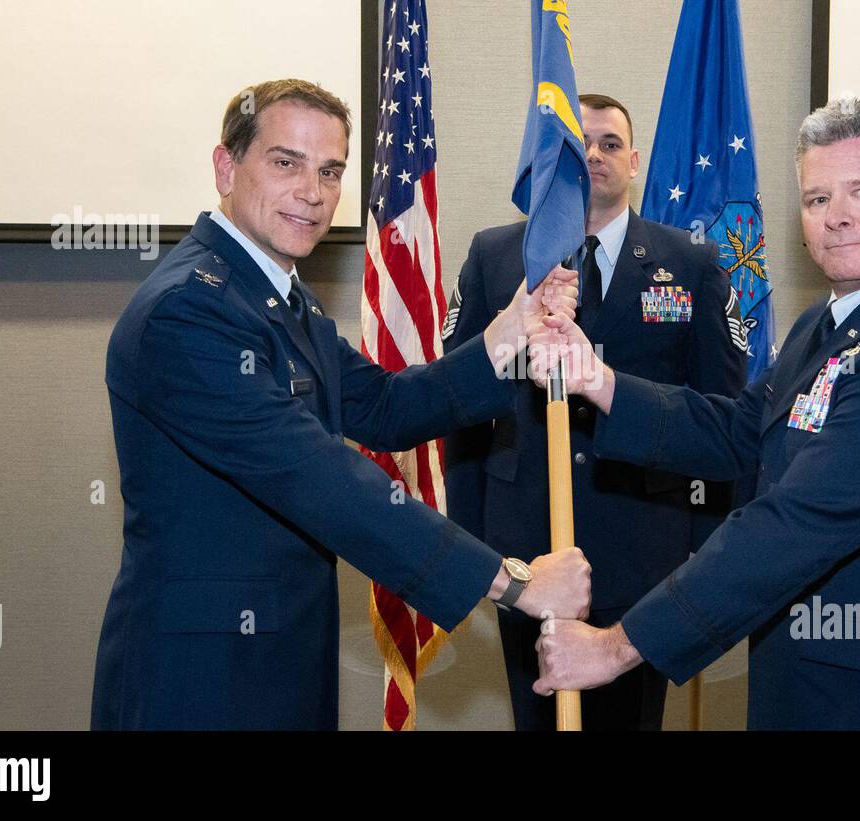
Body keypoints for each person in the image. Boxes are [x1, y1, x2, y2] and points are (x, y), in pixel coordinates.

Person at [91, 79, 589, 730]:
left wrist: (507, 334)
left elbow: (384, 405)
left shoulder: (278, 298)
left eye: (330, 170)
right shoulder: (187, 310)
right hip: (201, 681)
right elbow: (320, 477)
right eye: (284, 163)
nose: (311, 191)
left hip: (282, 663)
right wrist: (511, 581)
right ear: (225, 167)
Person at [530, 98, 860, 730]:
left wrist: (617, 645)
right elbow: (740, 432)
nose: (837, 218)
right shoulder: (828, 321)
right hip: (808, 689)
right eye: (818, 200)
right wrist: (596, 380)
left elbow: (792, 524)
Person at [442, 94, 746, 730]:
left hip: (646, 545)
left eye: (610, 143)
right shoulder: (496, 256)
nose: (594, 154)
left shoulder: (691, 264)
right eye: (579, 142)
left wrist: (707, 549)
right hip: (523, 547)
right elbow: (458, 407)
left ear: (634, 161)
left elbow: (722, 420)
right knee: (537, 713)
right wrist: (471, 541)